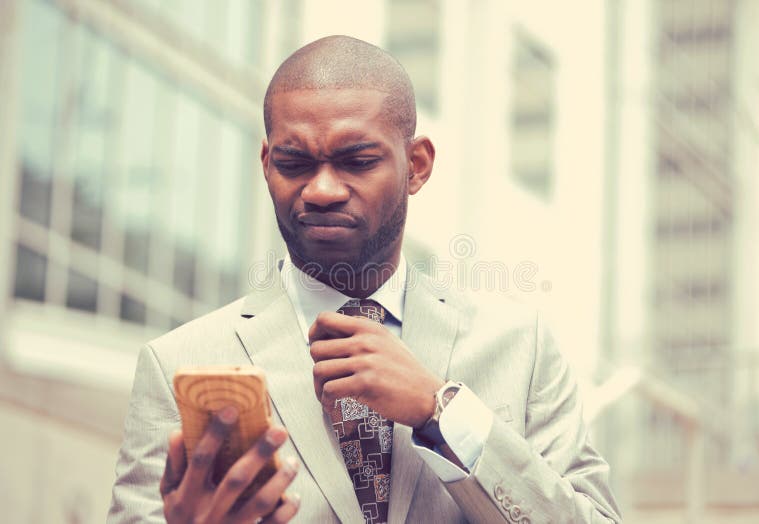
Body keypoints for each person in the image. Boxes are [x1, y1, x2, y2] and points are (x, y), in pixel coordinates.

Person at [108, 35, 621, 524]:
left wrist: (439, 411)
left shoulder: (521, 349)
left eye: (357, 161)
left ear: (416, 166)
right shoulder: (176, 364)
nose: (323, 189)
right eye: (295, 162)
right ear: (267, 164)